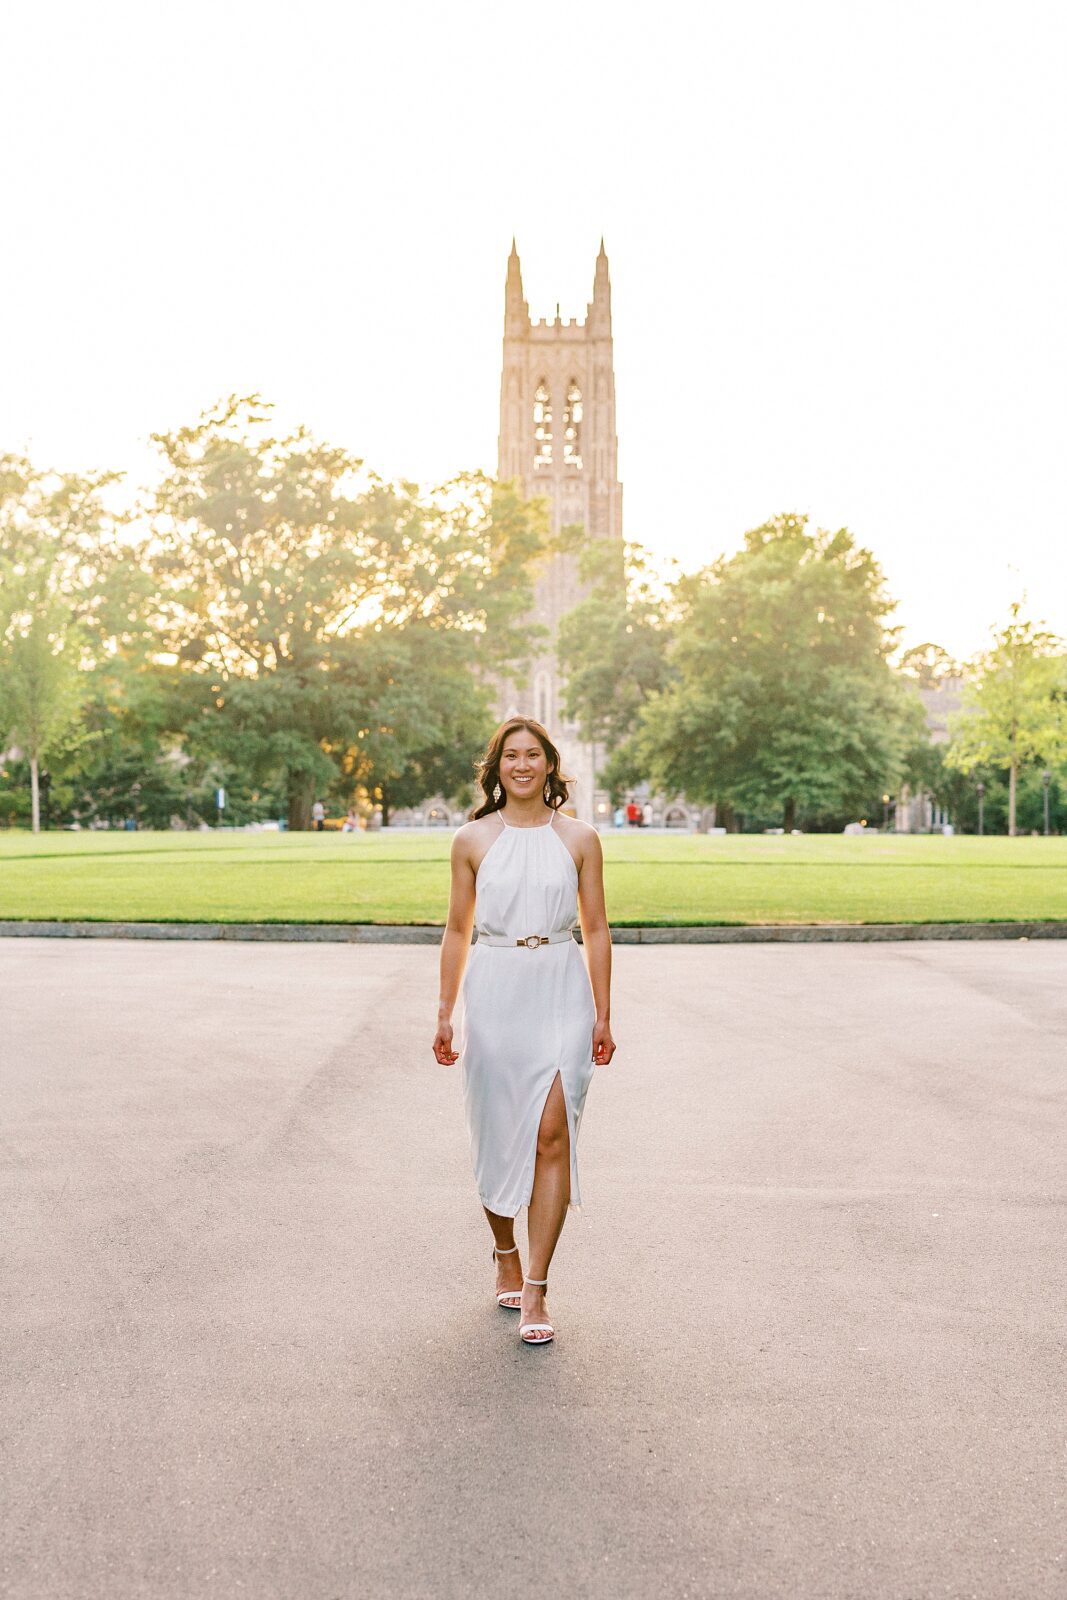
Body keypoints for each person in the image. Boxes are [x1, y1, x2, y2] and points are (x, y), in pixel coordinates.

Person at [433, 718, 616, 1347]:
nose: (521, 765)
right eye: (510, 755)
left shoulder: (581, 839)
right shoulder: (471, 840)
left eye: (532, 755)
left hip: (561, 984)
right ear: (497, 767)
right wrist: (444, 1011)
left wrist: (603, 1012)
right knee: (498, 1131)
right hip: (497, 986)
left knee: (551, 1134)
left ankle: (536, 1285)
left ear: (549, 764)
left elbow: (595, 927)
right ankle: (504, 1249)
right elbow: (458, 930)